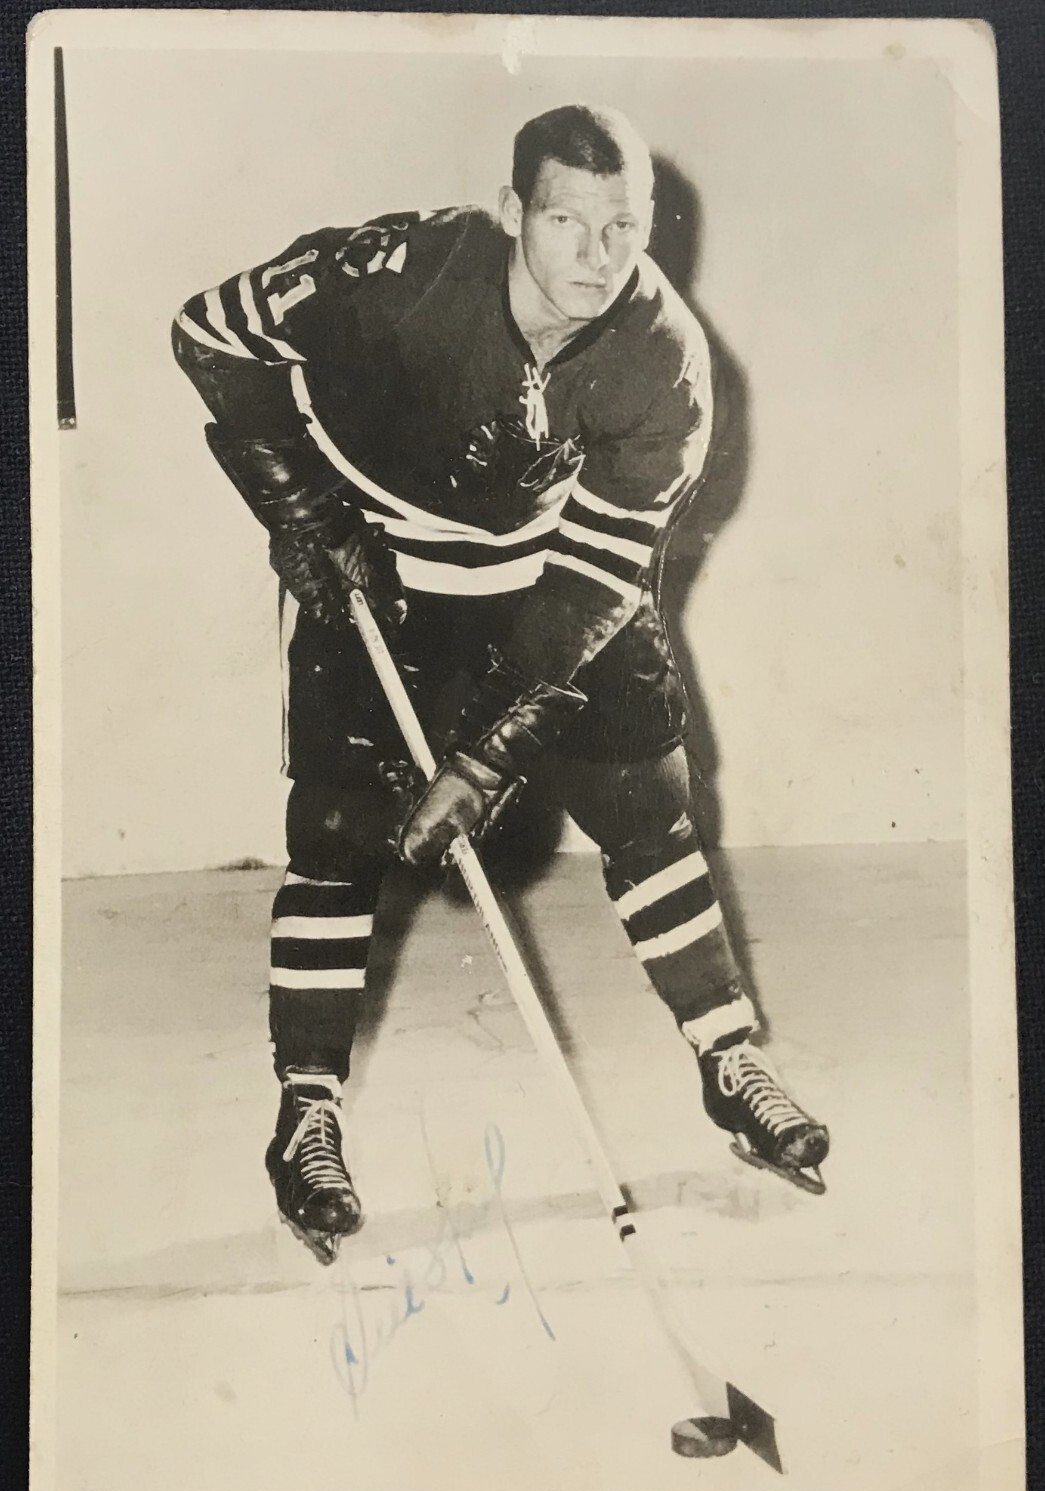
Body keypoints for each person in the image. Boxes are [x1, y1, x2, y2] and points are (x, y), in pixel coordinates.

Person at [173, 104, 829, 1262]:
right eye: (567, 221)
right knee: (336, 838)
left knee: (651, 805)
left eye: (623, 226)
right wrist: (303, 507)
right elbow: (210, 332)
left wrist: (483, 757)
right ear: (513, 211)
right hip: (376, 576)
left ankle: (730, 1056)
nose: (596, 256)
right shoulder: (399, 272)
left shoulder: (665, 357)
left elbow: (600, 576)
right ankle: (307, 1113)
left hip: (549, 587)